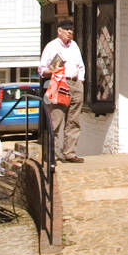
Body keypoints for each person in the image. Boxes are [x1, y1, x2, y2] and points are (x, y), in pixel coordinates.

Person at [38, 16, 86, 163]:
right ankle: (51, 154)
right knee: (56, 119)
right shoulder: (51, 46)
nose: (70, 32)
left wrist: (80, 81)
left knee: (74, 120)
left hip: (75, 84)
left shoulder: (74, 45)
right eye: (66, 29)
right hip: (59, 83)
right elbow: (42, 69)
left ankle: (70, 153)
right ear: (59, 31)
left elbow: (80, 65)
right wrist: (53, 71)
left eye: (71, 29)